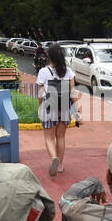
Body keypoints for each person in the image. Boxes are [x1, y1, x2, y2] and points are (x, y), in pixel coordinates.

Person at [37, 44, 75, 176]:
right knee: (61, 137)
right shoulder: (69, 72)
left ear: (49, 56)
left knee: (49, 137)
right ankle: (59, 166)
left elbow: (41, 93)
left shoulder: (43, 71)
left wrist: (39, 107)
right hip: (64, 105)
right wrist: (76, 109)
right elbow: (72, 92)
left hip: (49, 106)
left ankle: (54, 158)